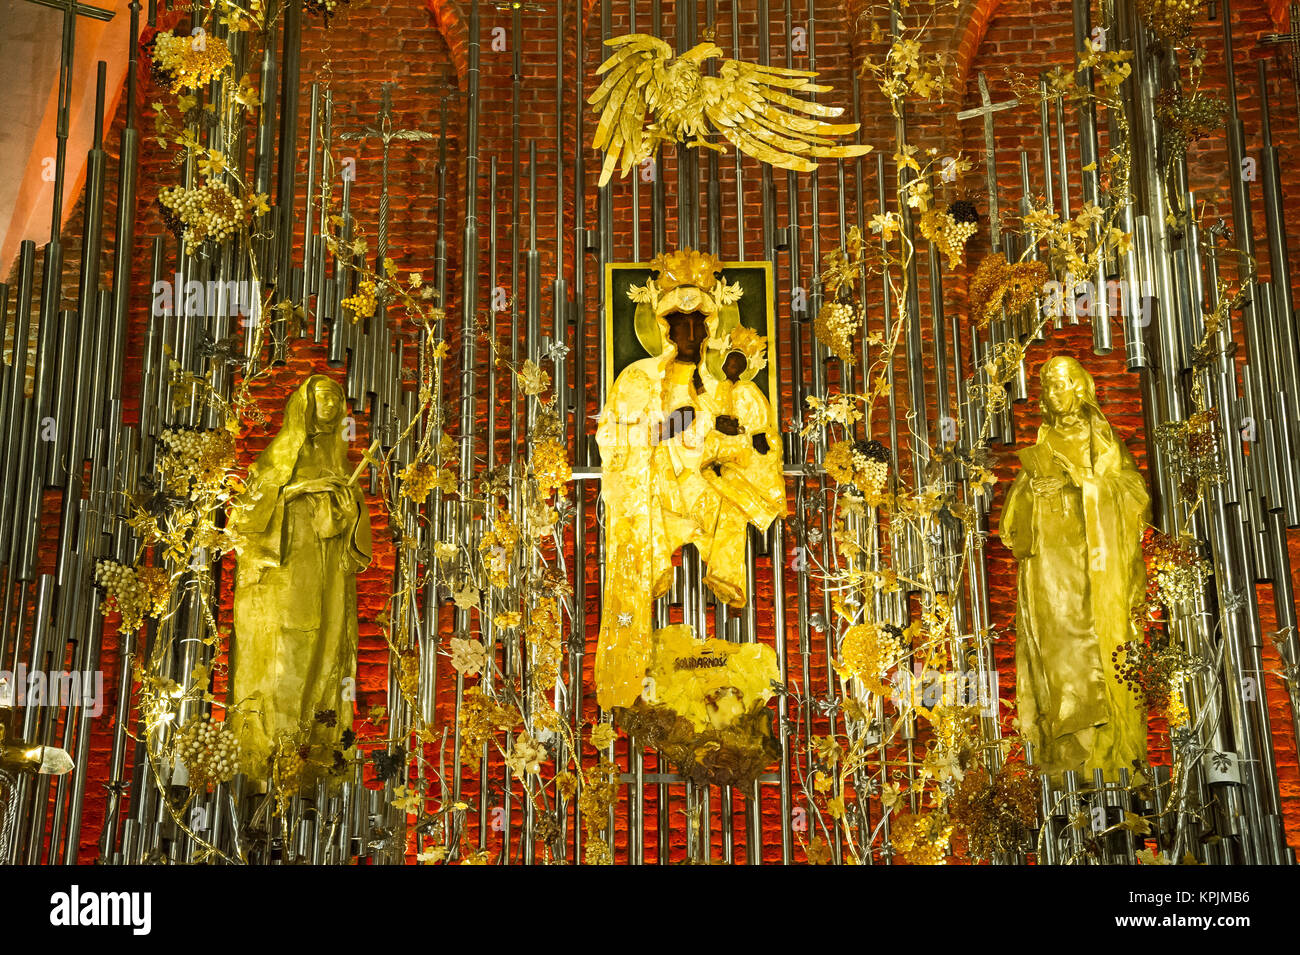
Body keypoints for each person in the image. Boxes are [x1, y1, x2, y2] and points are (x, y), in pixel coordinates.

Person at [595, 250, 786, 710]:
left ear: (709, 330)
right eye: (679, 323)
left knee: (729, 496)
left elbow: (755, 441)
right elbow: (611, 436)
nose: (689, 332)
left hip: (710, 491)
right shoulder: (638, 377)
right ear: (662, 328)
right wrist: (664, 430)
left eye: (698, 323)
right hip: (658, 491)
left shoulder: (724, 385)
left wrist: (732, 442)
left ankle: (722, 589)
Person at [999, 356, 1150, 777]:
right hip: (1049, 568)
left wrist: (1080, 485)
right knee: (1053, 655)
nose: (1053, 393)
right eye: (1047, 386)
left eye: (1060, 384)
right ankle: (1064, 759)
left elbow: (1133, 495)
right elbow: (1012, 528)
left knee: (1096, 659)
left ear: (1081, 388)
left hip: (1092, 565)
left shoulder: (1098, 439)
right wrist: (1033, 491)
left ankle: (1105, 762)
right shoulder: (1043, 443)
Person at [229, 375, 373, 783]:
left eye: (336, 398)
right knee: (283, 656)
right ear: (305, 403)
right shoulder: (281, 455)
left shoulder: (338, 460)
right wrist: (299, 490)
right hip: (286, 574)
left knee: (325, 653)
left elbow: (350, 535)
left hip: (327, 575)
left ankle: (313, 754)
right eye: (322, 397)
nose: (330, 404)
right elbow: (248, 515)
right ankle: (268, 756)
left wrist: (347, 512)